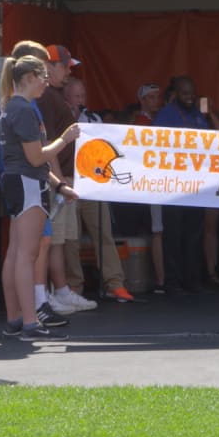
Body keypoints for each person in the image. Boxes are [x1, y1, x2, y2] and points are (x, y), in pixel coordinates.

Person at [0, 55, 78, 342]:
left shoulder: (14, 106)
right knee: (26, 255)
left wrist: (58, 187)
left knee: (17, 252)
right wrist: (65, 140)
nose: (46, 82)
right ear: (29, 77)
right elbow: (36, 157)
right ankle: (30, 323)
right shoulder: (22, 108)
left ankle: (16, 320)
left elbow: (35, 161)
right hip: (26, 183)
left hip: (23, 182)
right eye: (43, 76)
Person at [33, 44, 99, 317]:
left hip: (67, 176)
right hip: (58, 178)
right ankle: (48, 295)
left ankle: (60, 291)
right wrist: (58, 182)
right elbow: (45, 140)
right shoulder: (45, 96)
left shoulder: (53, 95)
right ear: (50, 66)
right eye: (65, 67)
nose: (68, 73)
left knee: (60, 239)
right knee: (50, 240)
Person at [63, 77, 134, 303]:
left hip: (92, 184)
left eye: (83, 96)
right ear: (66, 97)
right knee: (70, 239)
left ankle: (115, 284)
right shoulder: (58, 117)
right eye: (77, 96)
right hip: (67, 183)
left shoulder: (93, 118)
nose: (81, 100)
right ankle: (74, 286)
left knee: (103, 233)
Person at [153, 75, 219, 293]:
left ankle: (193, 280)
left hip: (196, 184)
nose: (190, 98)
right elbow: (154, 143)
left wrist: (209, 113)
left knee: (194, 234)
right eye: (185, 94)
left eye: (192, 94)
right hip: (173, 184)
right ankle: (173, 282)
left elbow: (216, 138)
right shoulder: (166, 115)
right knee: (173, 235)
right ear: (175, 94)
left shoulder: (198, 114)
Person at [132, 82, 166, 292]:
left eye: (158, 97)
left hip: (164, 181)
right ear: (143, 100)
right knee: (158, 231)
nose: (156, 101)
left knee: (160, 230)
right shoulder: (142, 122)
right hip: (153, 182)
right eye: (152, 97)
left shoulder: (156, 119)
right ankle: (161, 279)